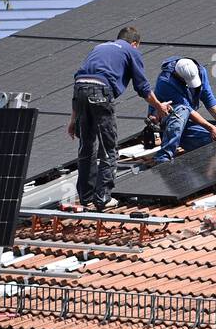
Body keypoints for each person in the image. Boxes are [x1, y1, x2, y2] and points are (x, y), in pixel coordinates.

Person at [68, 26, 170, 209]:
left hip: (80, 89)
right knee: (109, 147)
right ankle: (103, 199)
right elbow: (143, 87)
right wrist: (159, 106)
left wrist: (73, 120)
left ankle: (86, 197)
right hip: (100, 91)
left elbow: (81, 78)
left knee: (86, 146)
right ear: (134, 43)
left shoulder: (100, 48)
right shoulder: (131, 51)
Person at [152, 57, 216, 162]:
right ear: (178, 75)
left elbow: (208, 96)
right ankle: (164, 155)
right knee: (181, 109)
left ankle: (182, 140)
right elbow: (188, 110)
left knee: (213, 142)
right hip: (167, 122)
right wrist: (212, 128)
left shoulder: (200, 71)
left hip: (187, 123)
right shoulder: (165, 82)